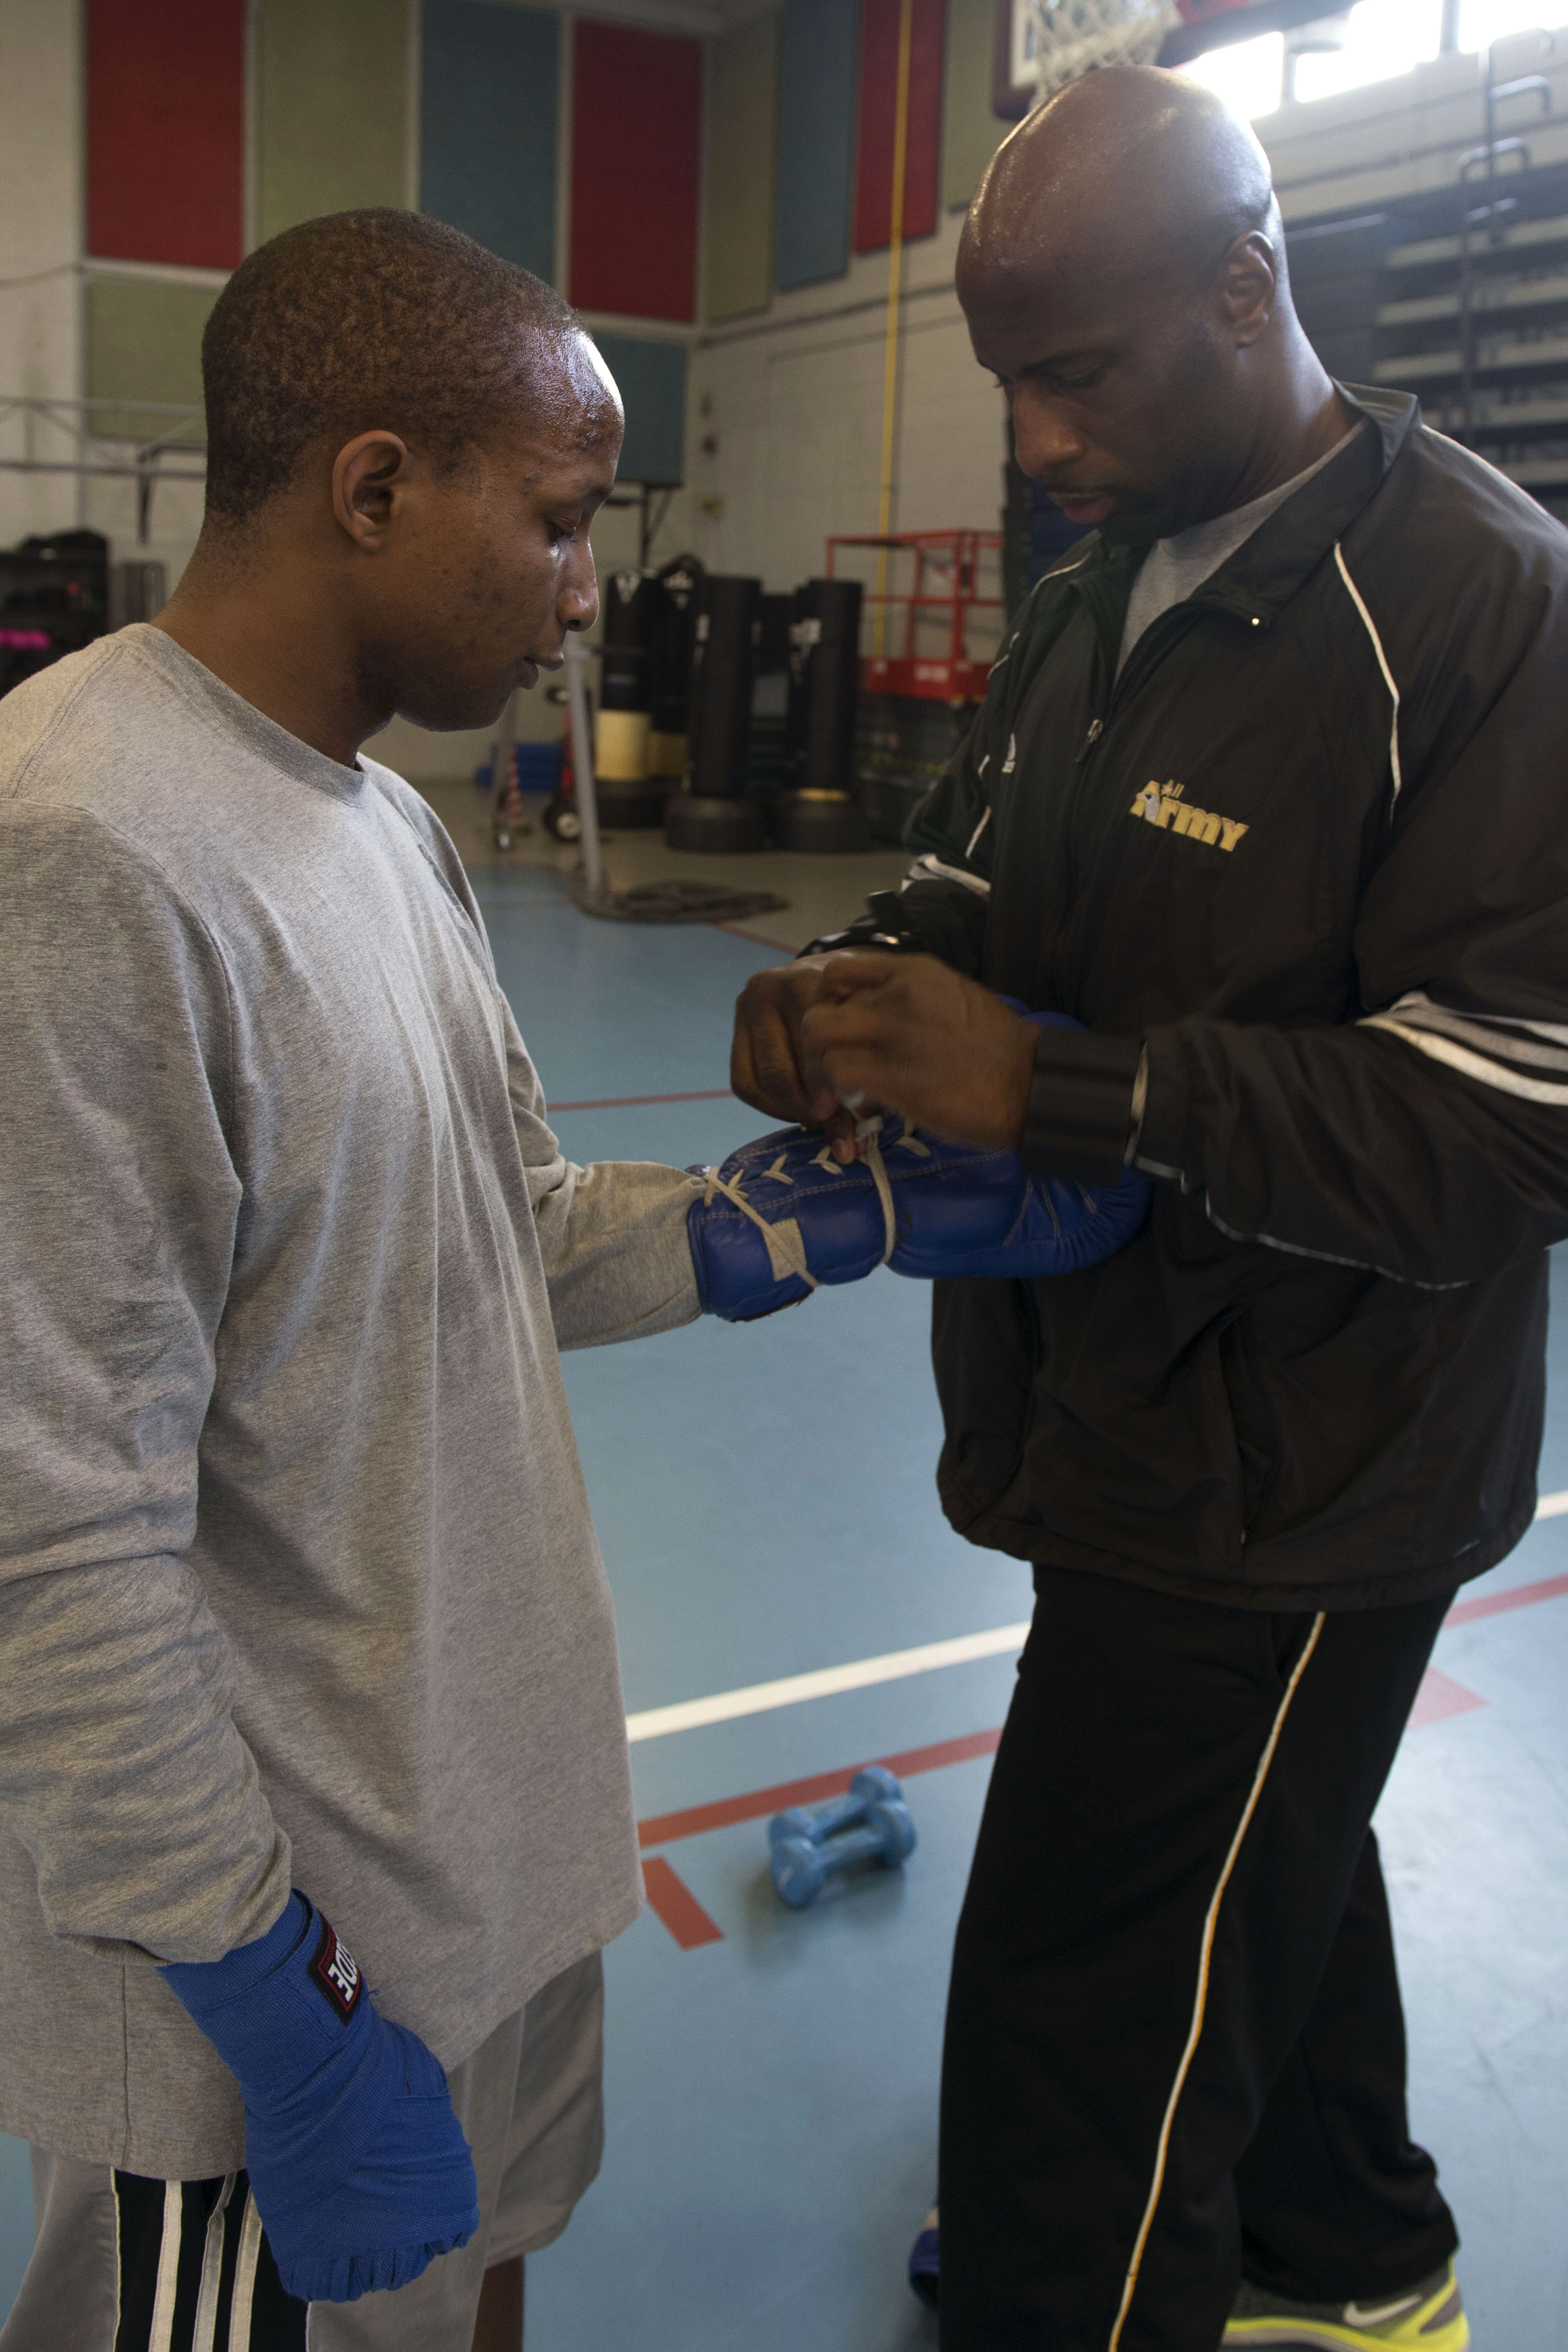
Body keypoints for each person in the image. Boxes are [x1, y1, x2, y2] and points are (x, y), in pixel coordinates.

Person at [0, 209, 1147, 2352]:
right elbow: (49, 1538)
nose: (587, 580)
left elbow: (490, 1218)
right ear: (372, 488)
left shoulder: (382, 822)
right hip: (278, 1964)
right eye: (555, 518)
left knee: (493, 2286)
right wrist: (272, 1989)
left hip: (494, 1844)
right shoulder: (83, 849)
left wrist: (788, 1223)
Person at [733, 66, 1568, 2352]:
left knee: (1075, 2032)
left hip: (1302, 1466)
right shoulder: (1100, 592)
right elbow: (989, 875)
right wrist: (866, 972)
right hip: (1123, 1417)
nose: (1034, 441)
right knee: (1256, 1854)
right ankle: (1352, 2251)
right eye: (1007, 381)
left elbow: (1518, 1114)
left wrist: (1058, 1087)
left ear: (1241, 287)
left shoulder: (1481, 607)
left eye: (1074, 375)